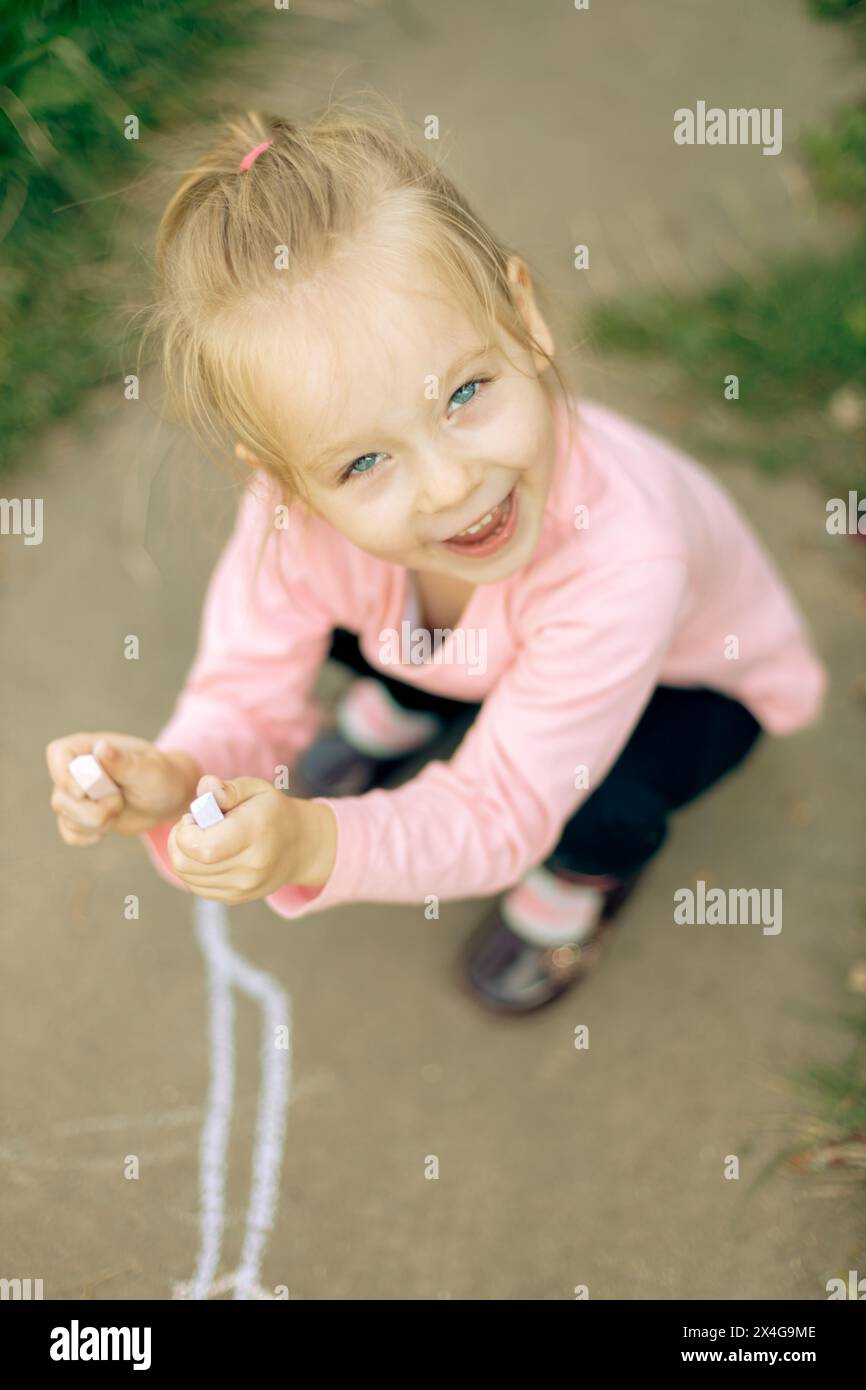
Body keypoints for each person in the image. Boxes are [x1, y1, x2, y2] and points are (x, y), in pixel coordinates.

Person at [45, 106, 827, 1014]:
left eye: (464, 392)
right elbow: (244, 686)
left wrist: (312, 844)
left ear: (523, 316)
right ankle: (417, 699)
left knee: (597, 797)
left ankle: (584, 878)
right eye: (363, 461)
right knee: (352, 618)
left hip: (687, 689)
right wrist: (179, 777)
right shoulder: (294, 523)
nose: (451, 484)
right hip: (490, 653)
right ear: (289, 481)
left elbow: (499, 807)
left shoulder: (625, 558)